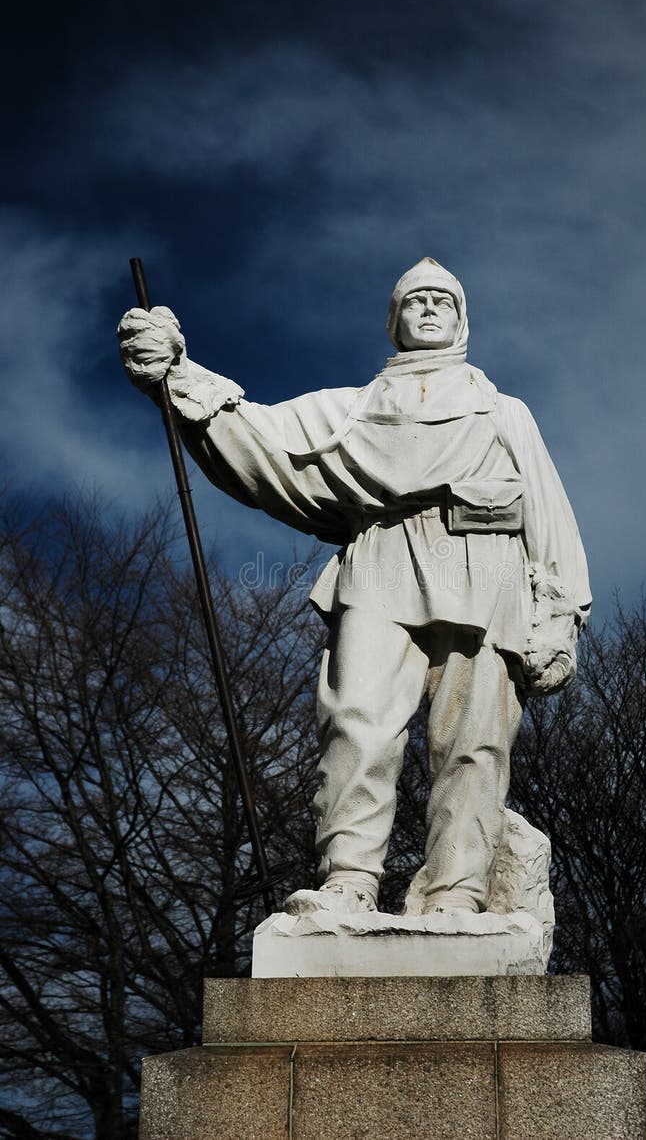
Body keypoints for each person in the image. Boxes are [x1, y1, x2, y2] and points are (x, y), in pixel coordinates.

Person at [118, 257, 591, 917]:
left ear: (462, 321)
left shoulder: (504, 412)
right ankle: (347, 879)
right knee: (356, 723)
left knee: (474, 740)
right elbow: (258, 438)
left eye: (442, 300)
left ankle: (458, 891)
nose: (428, 308)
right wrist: (176, 374)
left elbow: (549, 517)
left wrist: (558, 615)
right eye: (414, 300)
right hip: (379, 559)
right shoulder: (350, 409)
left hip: (489, 571)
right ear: (394, 320)